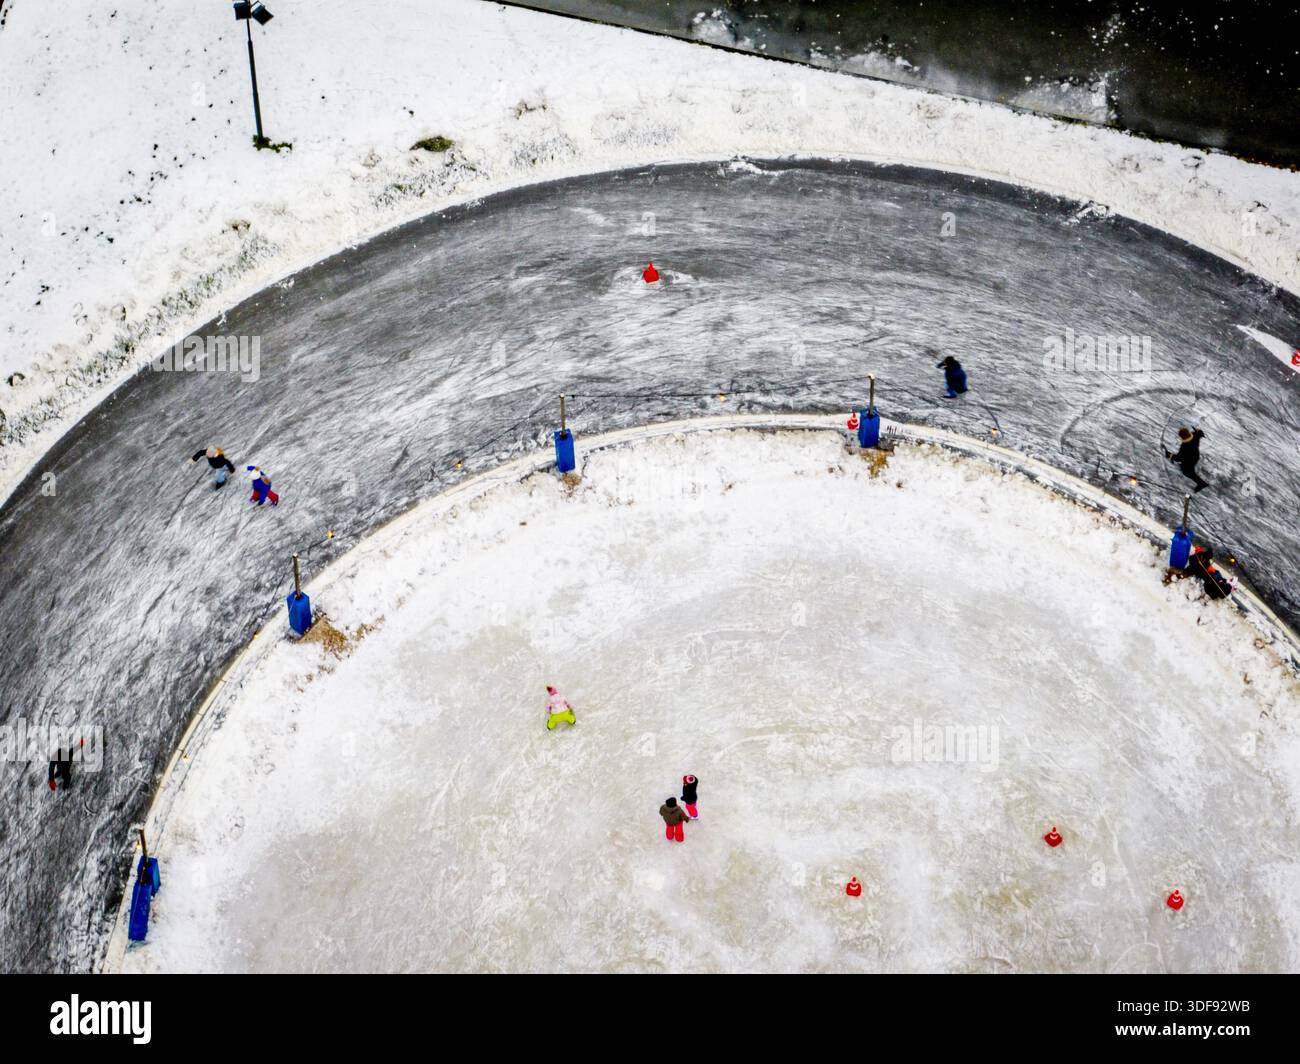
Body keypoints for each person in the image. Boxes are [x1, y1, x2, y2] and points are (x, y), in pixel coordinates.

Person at [1166, 427, 1208, 492]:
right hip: (1195, 456)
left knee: (1187, 472)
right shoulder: (1194, 435)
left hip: (1190, 460)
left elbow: (1178, 458)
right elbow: (1199, 434)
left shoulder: (1185, 446)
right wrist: (1198, 431)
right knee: (1187, 468)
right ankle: (1201, 483)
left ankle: (1202, 484)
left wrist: (1170, 455)